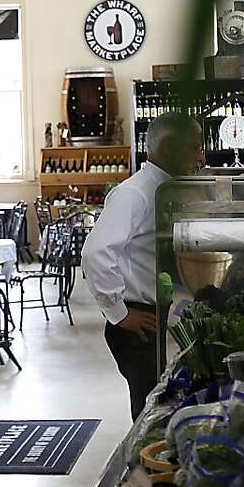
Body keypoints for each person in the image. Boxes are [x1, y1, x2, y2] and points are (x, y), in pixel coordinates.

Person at [81, 113, 202, 419]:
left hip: (157, 312)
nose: (201, 157)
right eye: (194, 148)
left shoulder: (167, 189)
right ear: (167, 147)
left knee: (163, 402)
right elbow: (95, 253)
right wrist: (118, 313)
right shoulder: (134, 193)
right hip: (138, 321)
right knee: (150, 410)